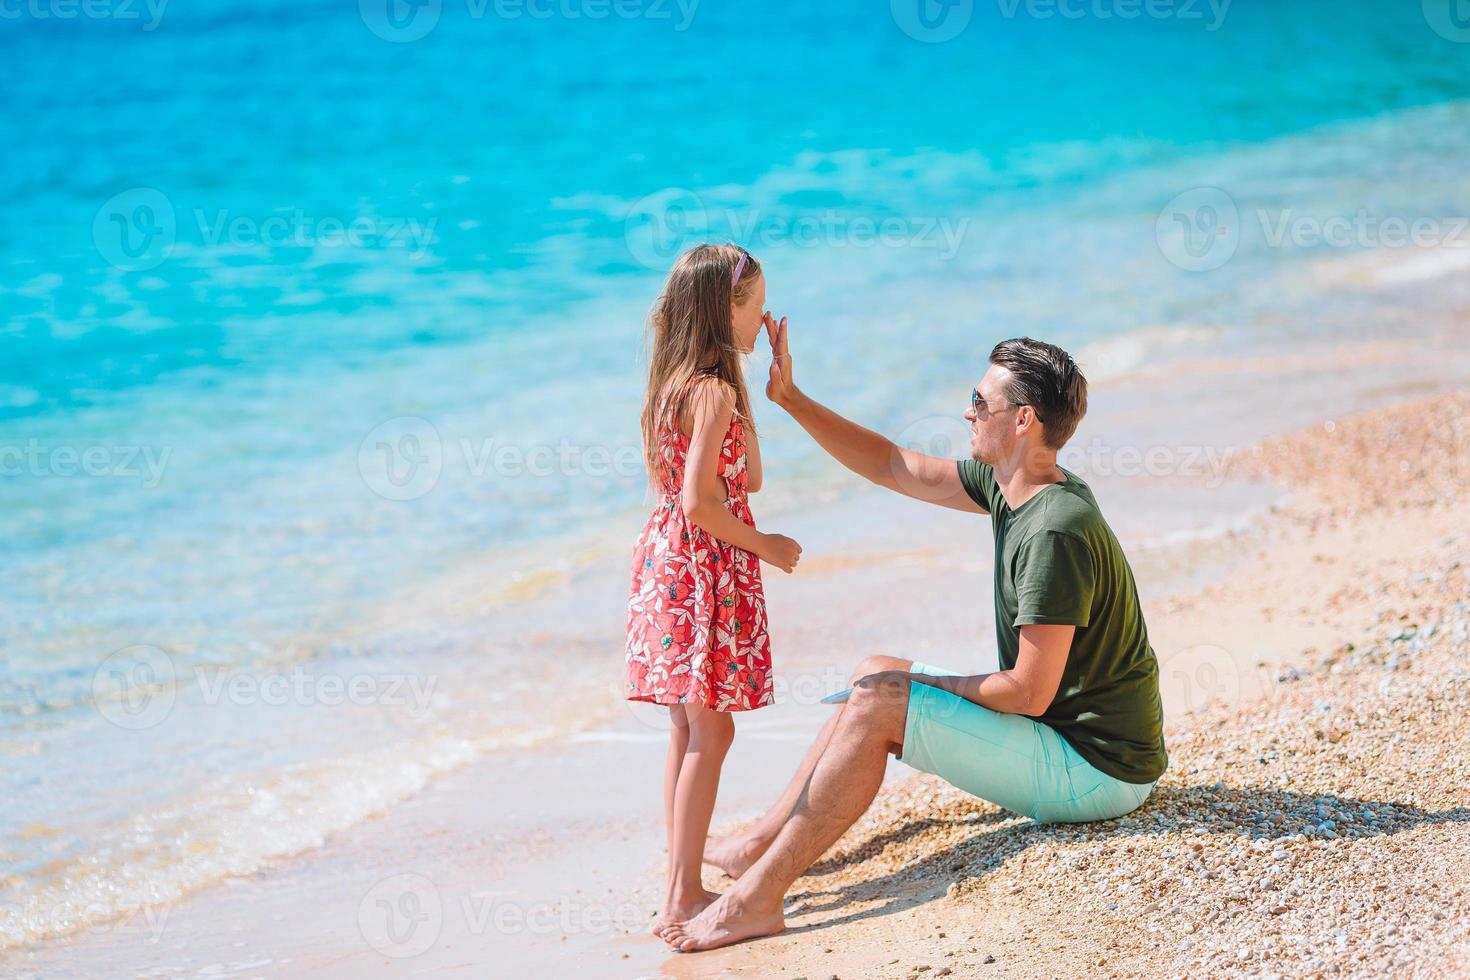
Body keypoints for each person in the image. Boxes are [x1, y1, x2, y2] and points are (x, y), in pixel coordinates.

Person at [662, 327, 1168, 953]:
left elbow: (1029, 694)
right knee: (875, 672)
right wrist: (792, 399)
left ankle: (755, 901)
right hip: (1071, 743)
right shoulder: (1016, 486)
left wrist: (911, 686)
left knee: (879, 696)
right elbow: (889, 464)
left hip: (1097, 772)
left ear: (1023, 421)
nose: (967, 411)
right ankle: (756, 845)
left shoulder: (1053, 531)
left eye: (981, 402)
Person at [625, 243, 804, 937]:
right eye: (757, 308)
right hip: (702, 565)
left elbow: (748, 476)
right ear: (727, 308)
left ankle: (682, 880)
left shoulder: (681, 385)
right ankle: (681, 896)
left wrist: (765, 380)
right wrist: (769, 547)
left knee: (686, 724)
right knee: (714, 726)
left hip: (668, 565)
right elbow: (705, 503)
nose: (765, 322)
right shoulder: (712, 393)